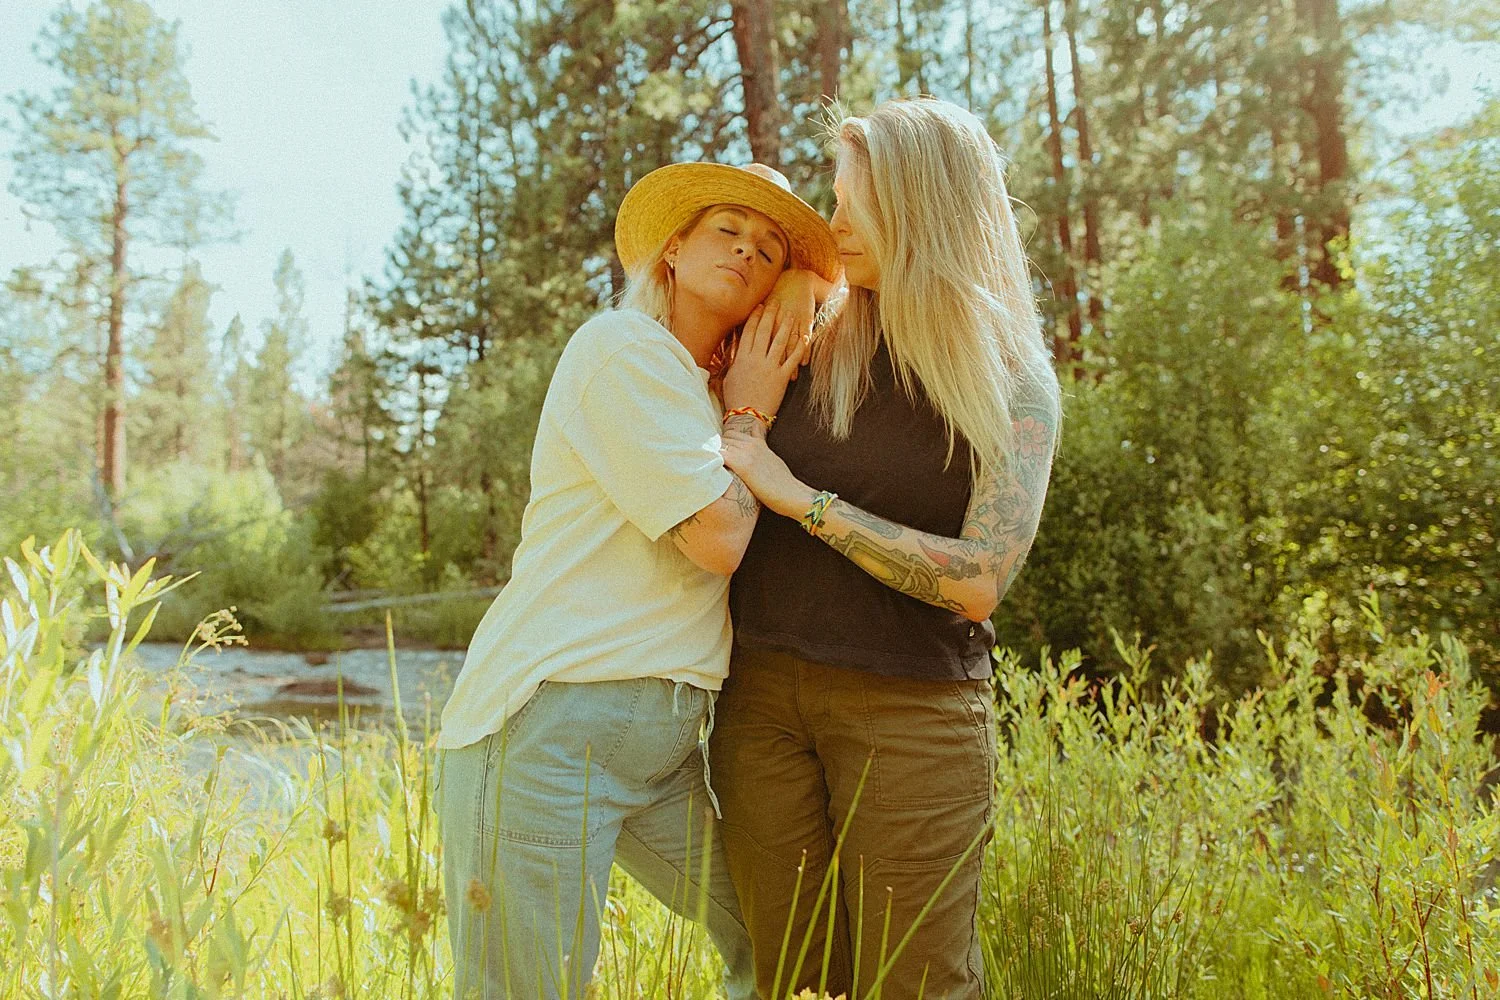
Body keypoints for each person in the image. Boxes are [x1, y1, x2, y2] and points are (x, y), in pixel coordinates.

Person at [435, 161, 839, 1000]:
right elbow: (720, 537)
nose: (746, 251)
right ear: (672, 251)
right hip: (549, 725)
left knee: (785, 951)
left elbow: (817, 285)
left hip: (664, 744)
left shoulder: (706, 387)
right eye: (726, 230)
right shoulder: (623, 349)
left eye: (766, 249)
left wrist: (781, 316)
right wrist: (750, 411)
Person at [712, 98, 1063, 1000]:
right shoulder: (814, 332)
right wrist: (794, 271)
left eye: (851, 204)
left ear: (922, 207)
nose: (831, 225)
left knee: (917, 984)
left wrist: (801, 500)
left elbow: (980, 581)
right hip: (762, 707)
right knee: (789, 982)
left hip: (913, 716)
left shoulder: (1011, 380)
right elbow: (691, 296)